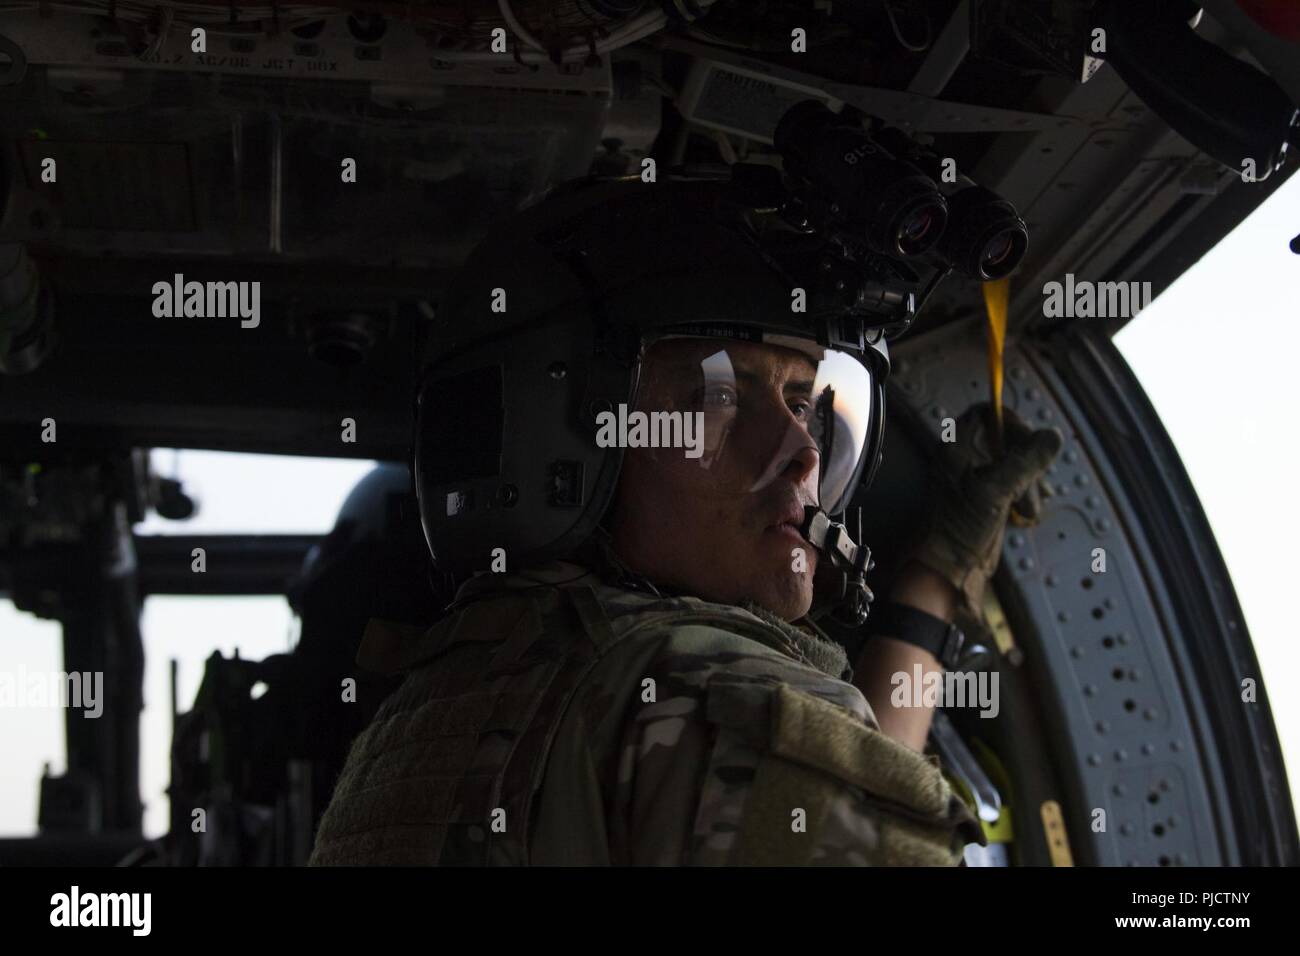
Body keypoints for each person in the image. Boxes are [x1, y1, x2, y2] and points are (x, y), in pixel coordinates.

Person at [306, 173, 1061, 866]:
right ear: (558, 433)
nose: (801, 451)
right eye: (717, 395)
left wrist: (932, 585)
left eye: (803, 403)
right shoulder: (700, 698)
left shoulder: (441, 708)